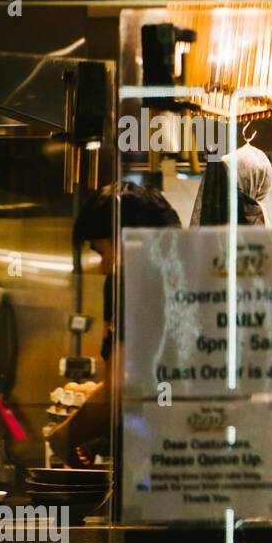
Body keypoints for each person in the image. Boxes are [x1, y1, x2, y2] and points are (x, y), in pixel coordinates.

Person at [49, 182, 181, 467]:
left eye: (100, 251)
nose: (102, 267)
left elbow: (120, 388)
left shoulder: (129, 277)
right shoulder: (180, 270)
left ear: (123, 241)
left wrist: (63, 437)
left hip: (155, 467)